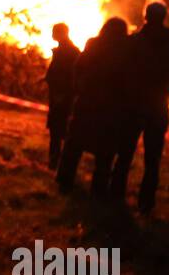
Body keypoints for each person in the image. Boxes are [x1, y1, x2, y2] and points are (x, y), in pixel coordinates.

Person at [109, 0, 169, 215]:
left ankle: (115, 196)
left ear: (146, 16)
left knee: (124, 153)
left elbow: (117, 71)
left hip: (132, 106)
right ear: (164, 18)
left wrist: (125, 91)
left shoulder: (132, 42)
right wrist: (166, 93)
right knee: (153, 158)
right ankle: (146, 203)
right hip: (157, 108)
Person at [56, 17, 129, 198]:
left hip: (87, 103)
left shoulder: (94, 44)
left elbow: (78, 68)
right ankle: (98, 189)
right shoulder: (127, 50)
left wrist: (79, 88)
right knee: (105, 152)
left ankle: (64, 180)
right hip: (111, 109)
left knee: (74, 145)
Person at [45, 23, 81, 169]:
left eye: (54, 31)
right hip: (59, 95)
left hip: (63, 96)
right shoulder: (64, 50)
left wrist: (63, 94)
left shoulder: (70, 52)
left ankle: (57, 163)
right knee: (57, 129)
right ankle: (56, 162)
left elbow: (70, 76)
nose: (52, 34)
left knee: (60, 130)